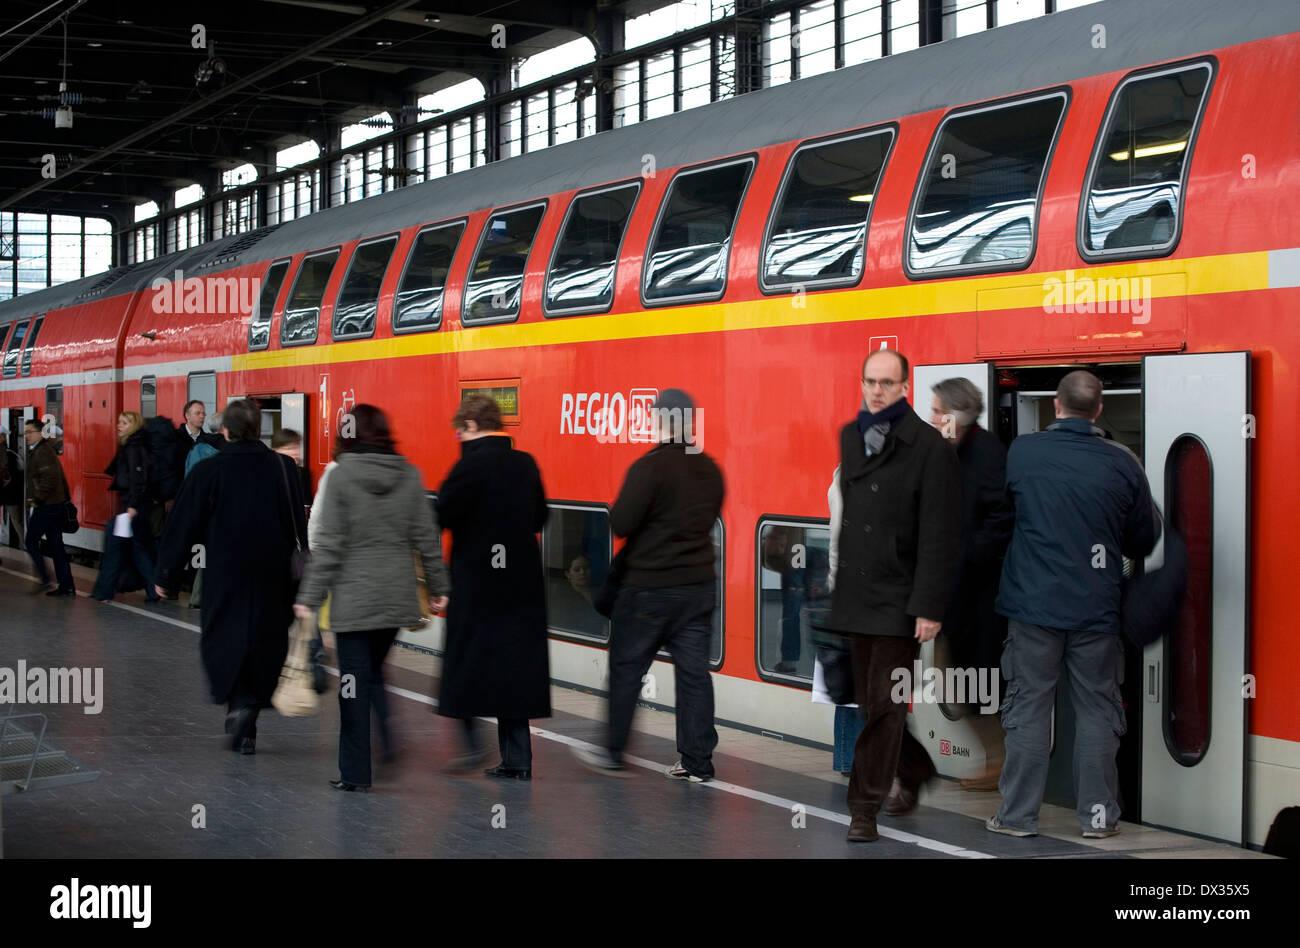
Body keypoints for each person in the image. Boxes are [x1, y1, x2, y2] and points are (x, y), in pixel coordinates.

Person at [987, 370, 1160, 839]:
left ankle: (1017, 818)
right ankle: (1098, 820)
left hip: (1032, 608)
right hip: (1096, 610)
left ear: (1057, 407)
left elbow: (1001, 517)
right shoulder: (1123, 463)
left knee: (1028, 708)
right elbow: (1144, 537)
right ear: (1099, 410)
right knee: (1098, 712)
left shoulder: (1023, 452)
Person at [830, 349, 960, 842]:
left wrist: (929, 606)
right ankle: (919, 768)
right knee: (871, 705)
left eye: (886, 382)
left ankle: (863, 809)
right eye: (870, 381)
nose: (877, 390)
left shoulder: (930, 449)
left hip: (901, 600)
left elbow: (940, 535)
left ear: (905, 386)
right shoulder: (850, 437)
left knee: (886, 704)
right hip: (858, 595)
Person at [572, 388, 725, 782]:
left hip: (649, 589)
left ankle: (612, 753)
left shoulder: (649, 468)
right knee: (694, 676)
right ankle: (697, 762)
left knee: (627, 669)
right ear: (690, 423)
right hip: (697, 588)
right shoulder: (710, 469)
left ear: (659, 422)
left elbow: (621, 522)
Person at [294, 405, 449, 791]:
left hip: (354, 602)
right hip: (394, 601)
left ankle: (355, 774)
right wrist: (440, 587)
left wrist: (309, 598)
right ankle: (386, 743)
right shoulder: (409, 475)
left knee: (352, 686)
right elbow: (426, 538)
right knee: (369, 675)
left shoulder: (342, 476)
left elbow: (328, 546)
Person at [154, 398, 308, 755]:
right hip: (273, 575)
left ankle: (237, 702)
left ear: (225, 430)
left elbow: (182, 525)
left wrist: (166, 572)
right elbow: (298, 526)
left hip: (225, 573)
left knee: (224, 637)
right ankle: (250, 711)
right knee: (266, 641)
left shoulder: (209, 471)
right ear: (259, 430)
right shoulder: (284, 468)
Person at [436, 394, 549, 780]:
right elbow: (540, 517)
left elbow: (442, 514)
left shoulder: (469, 467)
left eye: (458, 430)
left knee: (464, 661)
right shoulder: (525, 463)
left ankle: (471, 741)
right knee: (514, 670)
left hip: (478, 583)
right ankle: (517, 760)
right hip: (522, 583)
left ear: (470, 426)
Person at [90, 411, 160, 603]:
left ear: (134, 425)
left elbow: (139, 479)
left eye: (124, 423)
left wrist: (132, 507)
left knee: (115, 547)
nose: (119, 426)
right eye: (119, 422)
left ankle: (103, 591)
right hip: (135, 506)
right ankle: (154, 590)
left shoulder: (134, 447)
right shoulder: (133, 445)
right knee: (138, 550)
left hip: (132, 507)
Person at [22, 419, 75, 597]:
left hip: (47, 506)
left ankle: (45, 579)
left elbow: (50, 479)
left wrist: (36, 498)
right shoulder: (42, 450)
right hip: (55, 505)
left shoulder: (42, 452)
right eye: (25, 432)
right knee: (56, 546)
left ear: (40, 433)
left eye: (30, 432)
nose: (27, 435)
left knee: (30, 541)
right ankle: (66, 586)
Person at [183, 412, 222, 609]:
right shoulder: (224, 451)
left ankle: (197, 596)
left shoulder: (197, 449)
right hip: (217, 513)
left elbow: (189, 479)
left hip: (199, 511)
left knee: (200, 553)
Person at [272, 427, 313, 505]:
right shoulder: (268, 474)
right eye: (289, 448)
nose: (295, 452)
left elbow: (307, 503)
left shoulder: (303, 473)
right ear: (276, 451)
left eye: (297, 447)